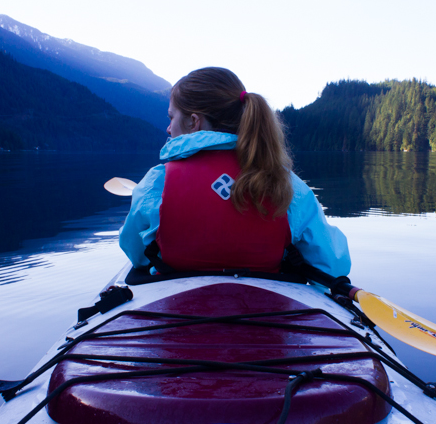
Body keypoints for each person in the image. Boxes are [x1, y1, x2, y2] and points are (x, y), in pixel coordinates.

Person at [118, 67, 350, 278]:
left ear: (193, 122)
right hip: (265, 313)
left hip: (177, 309)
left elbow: (136, 254)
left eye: (171, 117)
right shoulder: (285, 183)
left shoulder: (156, 183)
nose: (168, 128)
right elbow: (332, 265)